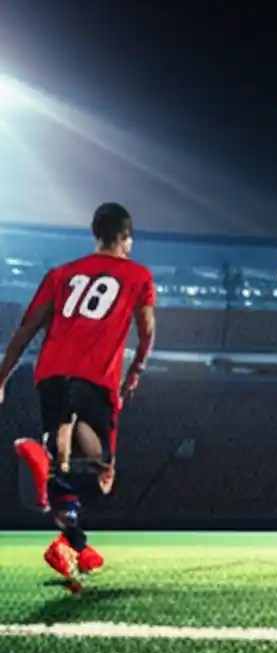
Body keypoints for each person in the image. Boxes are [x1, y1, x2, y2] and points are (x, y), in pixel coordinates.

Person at [0, 202, 156, 592]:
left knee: (67, 456)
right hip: (95, 377)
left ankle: (75, 544)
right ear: (125, 238)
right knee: (101, 474)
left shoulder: (61, 274)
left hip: (50, 372)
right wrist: (134, 371)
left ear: (95, 234)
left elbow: (26, 329)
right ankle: (48, 460)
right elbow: (148, 330)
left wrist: (2, 377)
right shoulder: (138, 275)